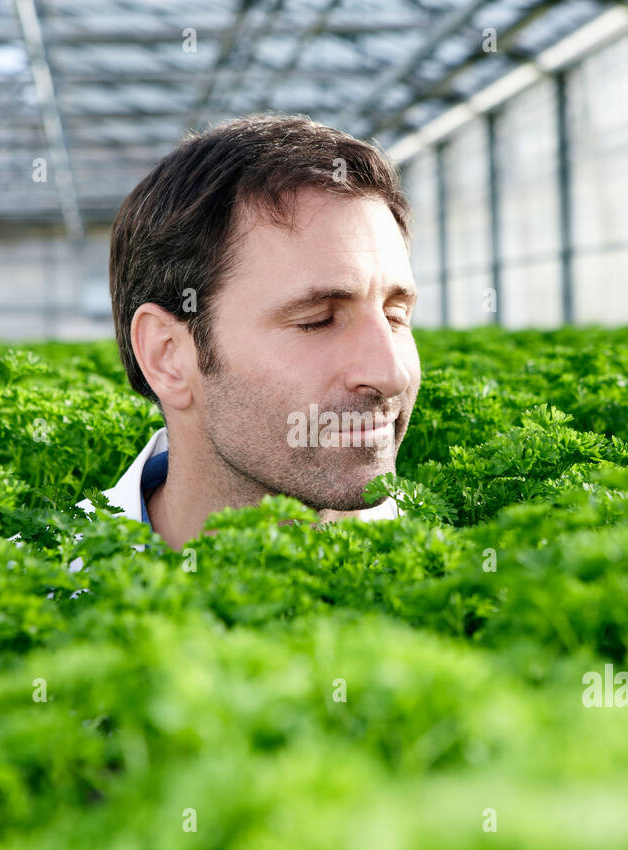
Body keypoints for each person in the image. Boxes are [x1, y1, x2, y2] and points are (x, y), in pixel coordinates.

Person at [75, 113, 422, 553]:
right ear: (168, 356)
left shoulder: (485, 587)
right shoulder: (38, 593)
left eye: (396, 315)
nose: (391, 374)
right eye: (316, 320)